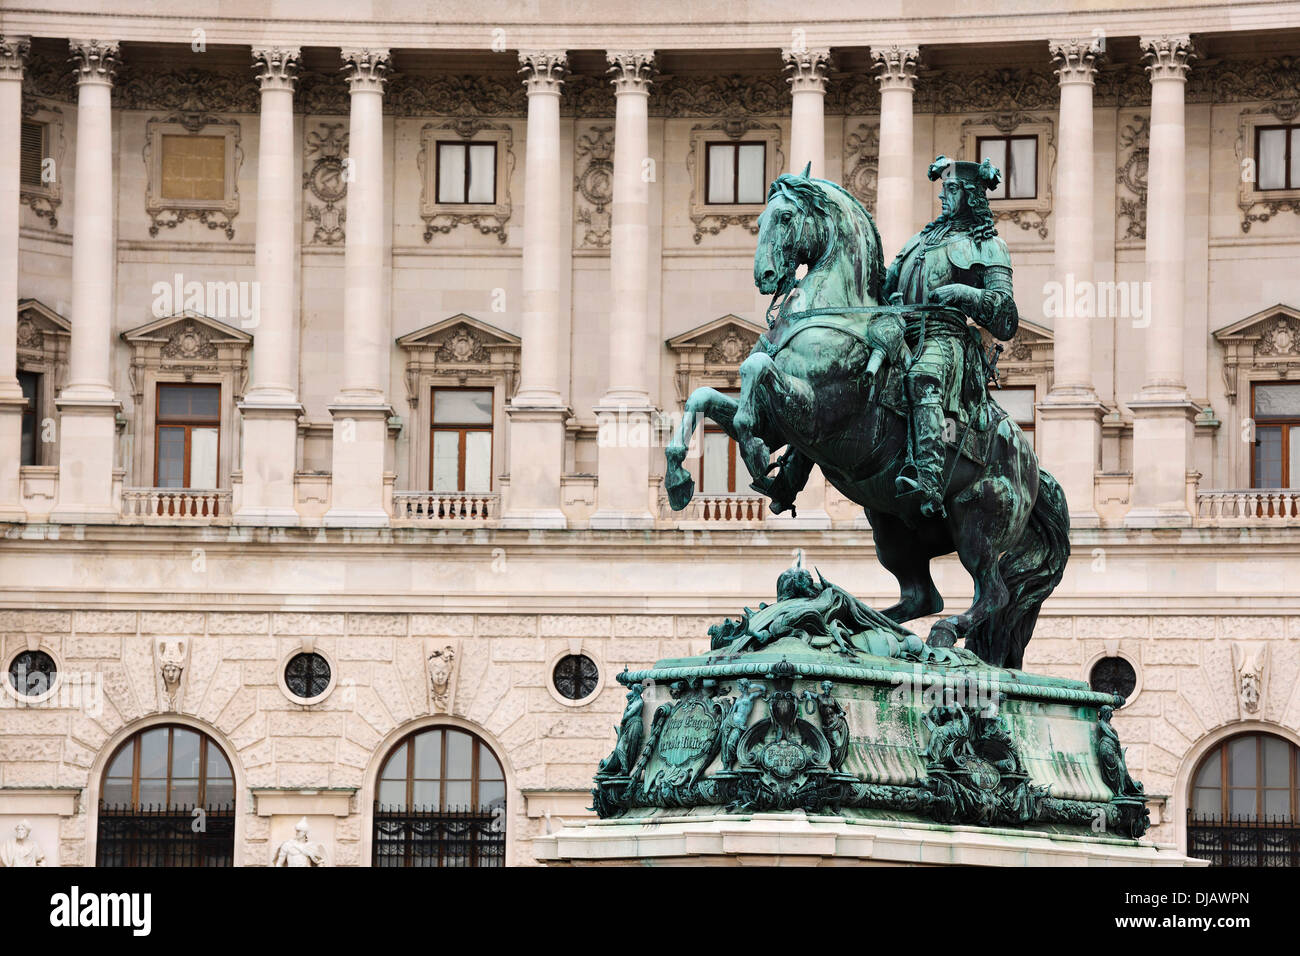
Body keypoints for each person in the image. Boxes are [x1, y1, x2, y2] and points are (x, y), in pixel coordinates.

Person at [883, 155, 1019, 517]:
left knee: (921, 377)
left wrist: (964, 295)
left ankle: (927, 478)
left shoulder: (988, 246)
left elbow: (1006, 315)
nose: (943, 196)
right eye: (943, 188)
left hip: (947, 337)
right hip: (899, 330)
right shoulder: (918, 241)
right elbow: (885, 284)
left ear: (972, 195)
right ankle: (792, 474)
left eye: (952, 189)